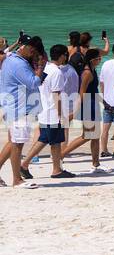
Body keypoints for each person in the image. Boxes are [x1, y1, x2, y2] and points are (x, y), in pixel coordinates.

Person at [22, 44, 77, 178]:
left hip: (43, 109)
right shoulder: (57, 72)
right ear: (63, 56)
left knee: (45, 139)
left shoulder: (44, 68)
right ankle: (56, 170)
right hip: (52, 111)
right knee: (55, 142)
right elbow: (56, 94)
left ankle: (24, 164)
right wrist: (59, 115)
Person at [1, 35, 43, 187]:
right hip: (19, 109)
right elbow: (33, 83)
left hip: (13, 106)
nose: (33, 53)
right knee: (18, 144)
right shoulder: (18, 64)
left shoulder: (11, 59)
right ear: (24, 47)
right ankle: (17, 179)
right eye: (31, 50)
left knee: (13, 142)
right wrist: (39, 68)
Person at [61, 47, 104, 172]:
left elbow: (93, 90)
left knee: (95, 136)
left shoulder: (92, 69)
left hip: (93, 102)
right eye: (98, 58)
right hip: (87, 105)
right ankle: (61, 155)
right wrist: (75, 111)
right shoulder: (87, 73)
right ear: (92, 60)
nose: (100, 60)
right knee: (87, 135)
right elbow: (82, 92)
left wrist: (104, 102)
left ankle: (96, 165)